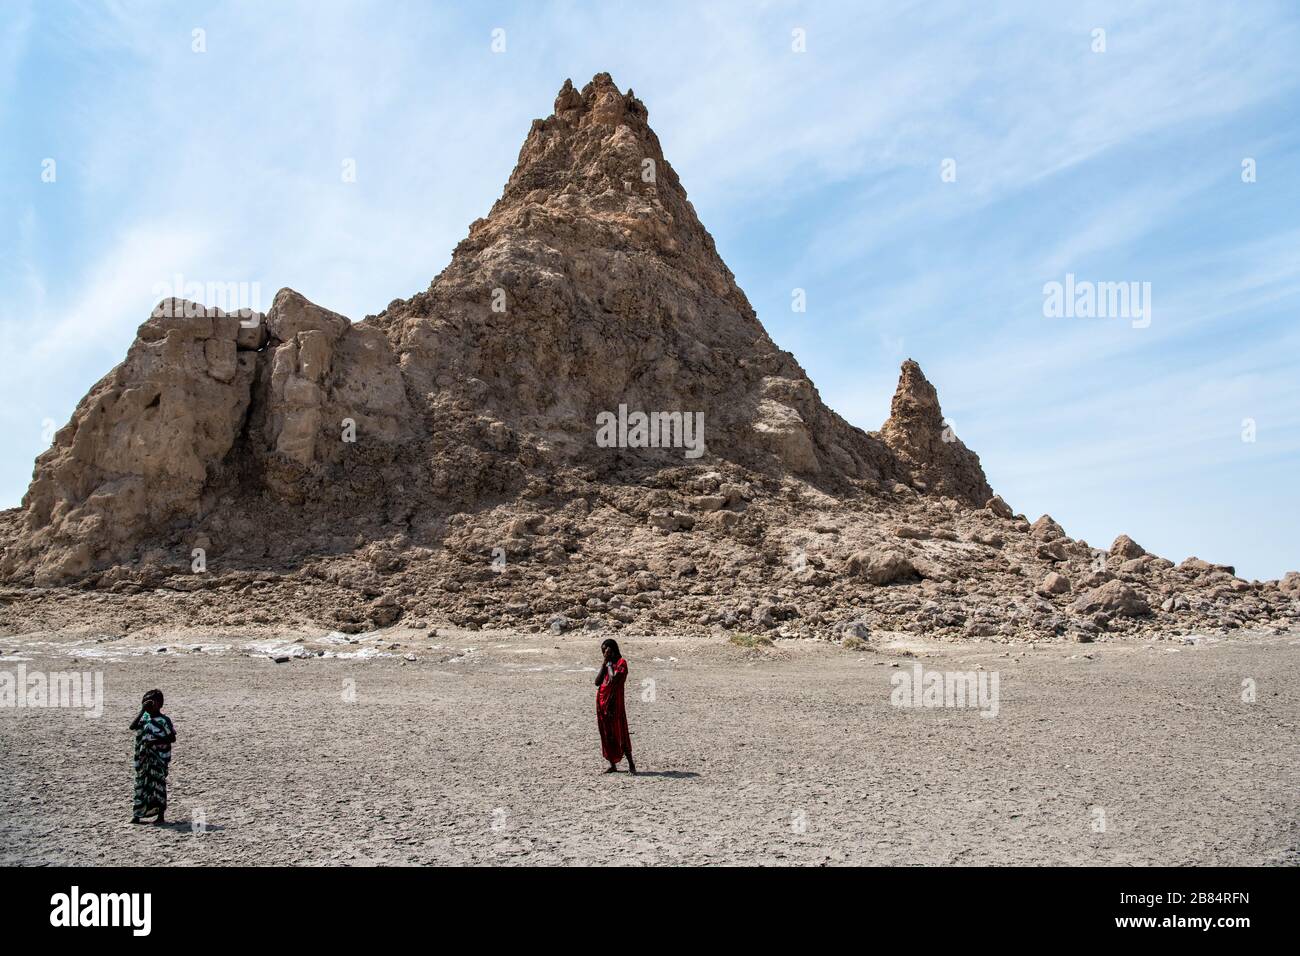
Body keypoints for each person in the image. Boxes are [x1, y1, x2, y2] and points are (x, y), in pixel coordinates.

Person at [129, 689, 176, 824]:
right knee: (141, 786)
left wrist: (154, 742)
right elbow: (132, 727)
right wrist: (142, 711)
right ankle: (137, 815)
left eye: (151, 702)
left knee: (158, 786)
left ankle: (160, 815)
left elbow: (171, 738)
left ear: (159, 704)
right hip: (143, 759)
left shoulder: (163, 721)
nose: (148, 705)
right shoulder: (144, 718)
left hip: (158, 760)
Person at [594, 638, 636, 774]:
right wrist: (604, 663)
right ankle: (612, 764)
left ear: (612, 650)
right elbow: (597, 682)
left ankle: (631, 765)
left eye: (605, 652)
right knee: (606, 733)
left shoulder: (621, 663)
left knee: (620, 732)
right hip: (602, 705)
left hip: (615, 705)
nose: (604, 654)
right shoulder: (608, 664)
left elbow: (613, 679)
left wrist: (609, 664)